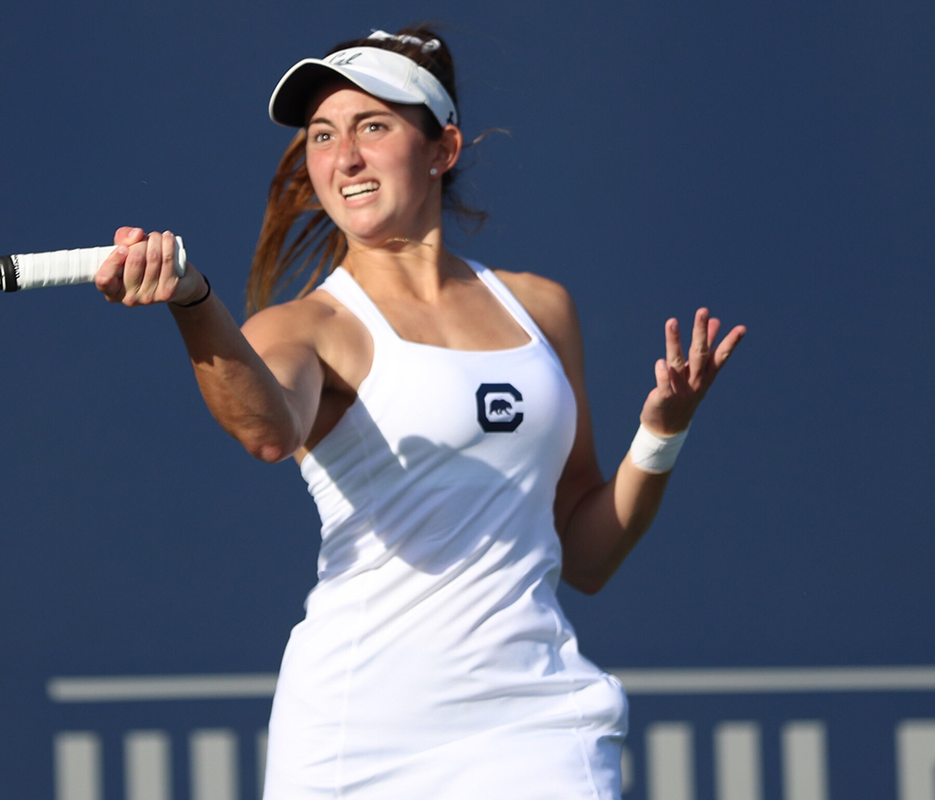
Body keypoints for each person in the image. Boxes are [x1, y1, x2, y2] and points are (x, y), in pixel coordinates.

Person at [94, 25, 745, 800]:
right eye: (323, 135)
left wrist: (661, 435)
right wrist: (195, 303)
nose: (344, 157)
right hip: (356, 735)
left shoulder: (543, 309)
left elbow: (586, 555)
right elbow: (266, 432)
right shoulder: (304, 329)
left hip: (538, 725)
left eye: (372, 126)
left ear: (443, 149)